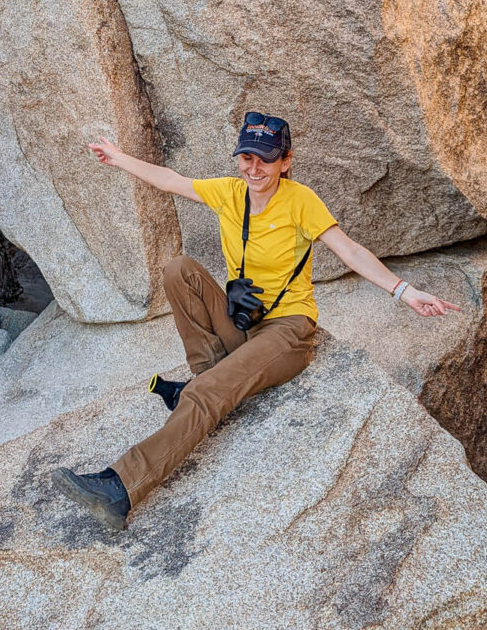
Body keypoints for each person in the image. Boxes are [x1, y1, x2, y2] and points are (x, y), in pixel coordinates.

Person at [53, 111, 461, 530]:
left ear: (285, 161)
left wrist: (404, 291)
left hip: (288, 332)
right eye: (247, 157)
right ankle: (212, 377)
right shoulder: (231, 193)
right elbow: (170, 180)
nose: (255, 168)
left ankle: (121, 487)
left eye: (265, 159)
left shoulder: (301, 200)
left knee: (207, 393)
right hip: (244, 324)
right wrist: (119, 158)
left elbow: (351, 251)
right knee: (179, 270)